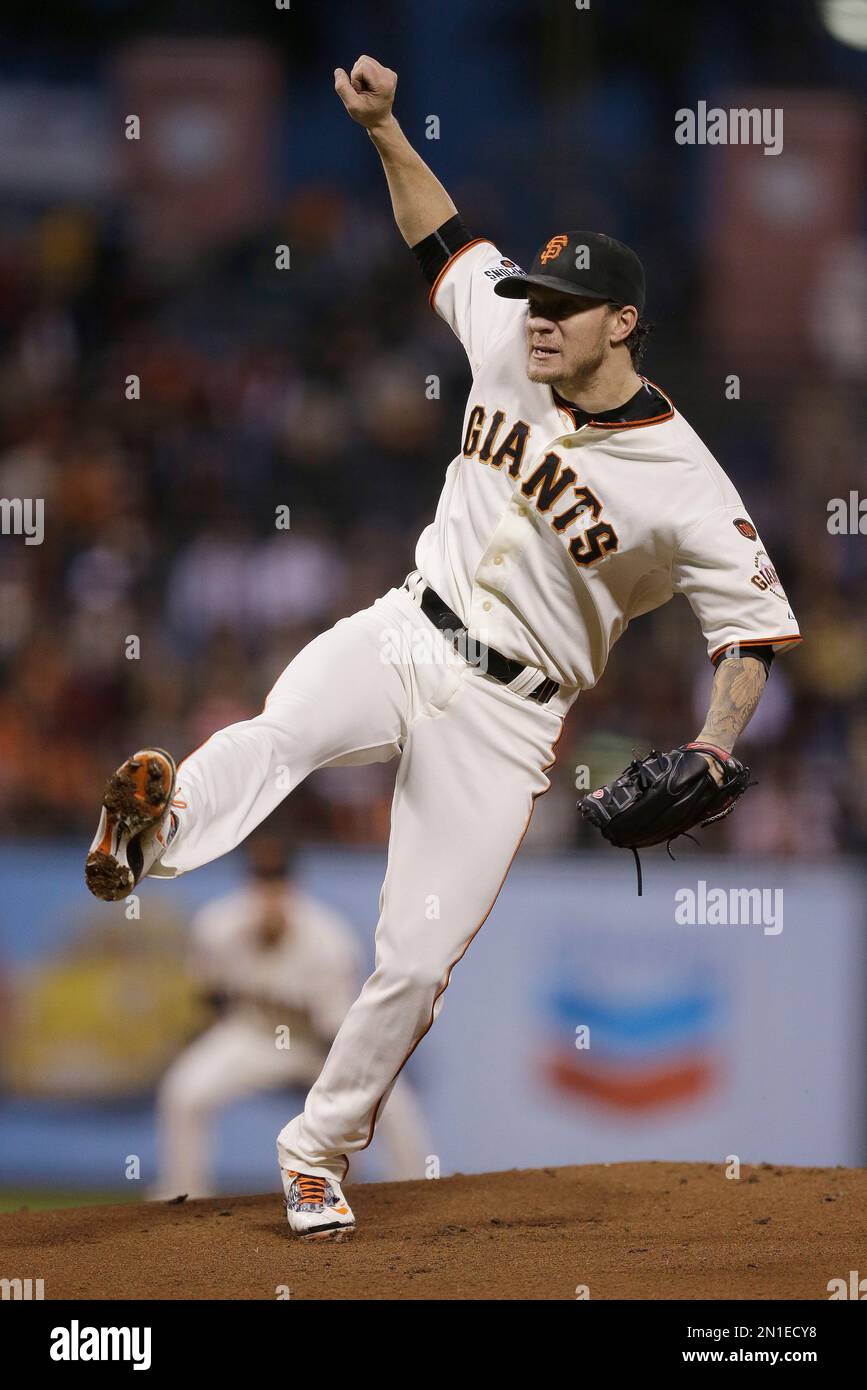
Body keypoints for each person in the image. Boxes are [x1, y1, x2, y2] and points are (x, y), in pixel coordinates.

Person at [86, 55, 800, 1241]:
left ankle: (316, 1152)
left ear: (622, 323)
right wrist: (376, 128)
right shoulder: (512, 333)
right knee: (279, 732)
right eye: (532, 297)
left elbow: (754, 632)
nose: (536, 316)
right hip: (406, 626)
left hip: (510, 717)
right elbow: (443, 234)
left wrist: (713, 748)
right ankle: (148, 835)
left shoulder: (686, 482)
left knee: (414, 960)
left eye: (563, 305)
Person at [153, 833, 430, 1199]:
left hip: (320, 1050)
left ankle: (416, 1192)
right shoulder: (216, 927)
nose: (269, 892)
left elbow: (339, 1033)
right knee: (185, 1092)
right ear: (249, 883)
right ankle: (181, 1197)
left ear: (293, 885)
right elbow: (210, 997)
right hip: (251, 1036)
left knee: (395, 1106)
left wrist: (345, 1102)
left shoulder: (327, 941)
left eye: (277, 880)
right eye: (261, 879)